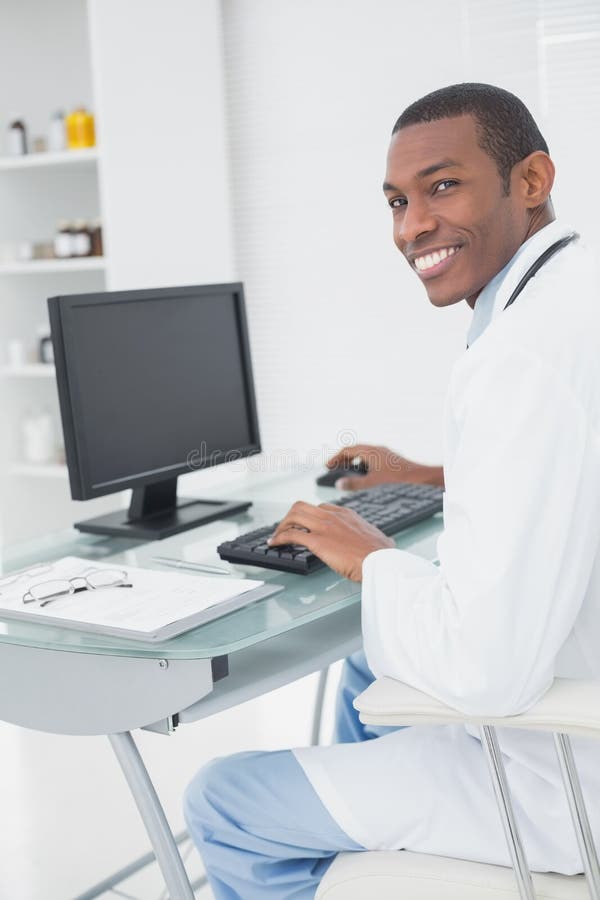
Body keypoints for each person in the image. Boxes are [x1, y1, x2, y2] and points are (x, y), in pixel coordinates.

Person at [184, 83, 600, 898]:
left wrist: (372, 558)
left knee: (223, 800)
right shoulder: (573, 295)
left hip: (561, 775)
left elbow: (489, 672)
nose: (412, 227)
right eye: (398, 202)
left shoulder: (519, 357)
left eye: (443, 186)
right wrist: (429, 478)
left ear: (531, 180)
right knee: (363, 669)